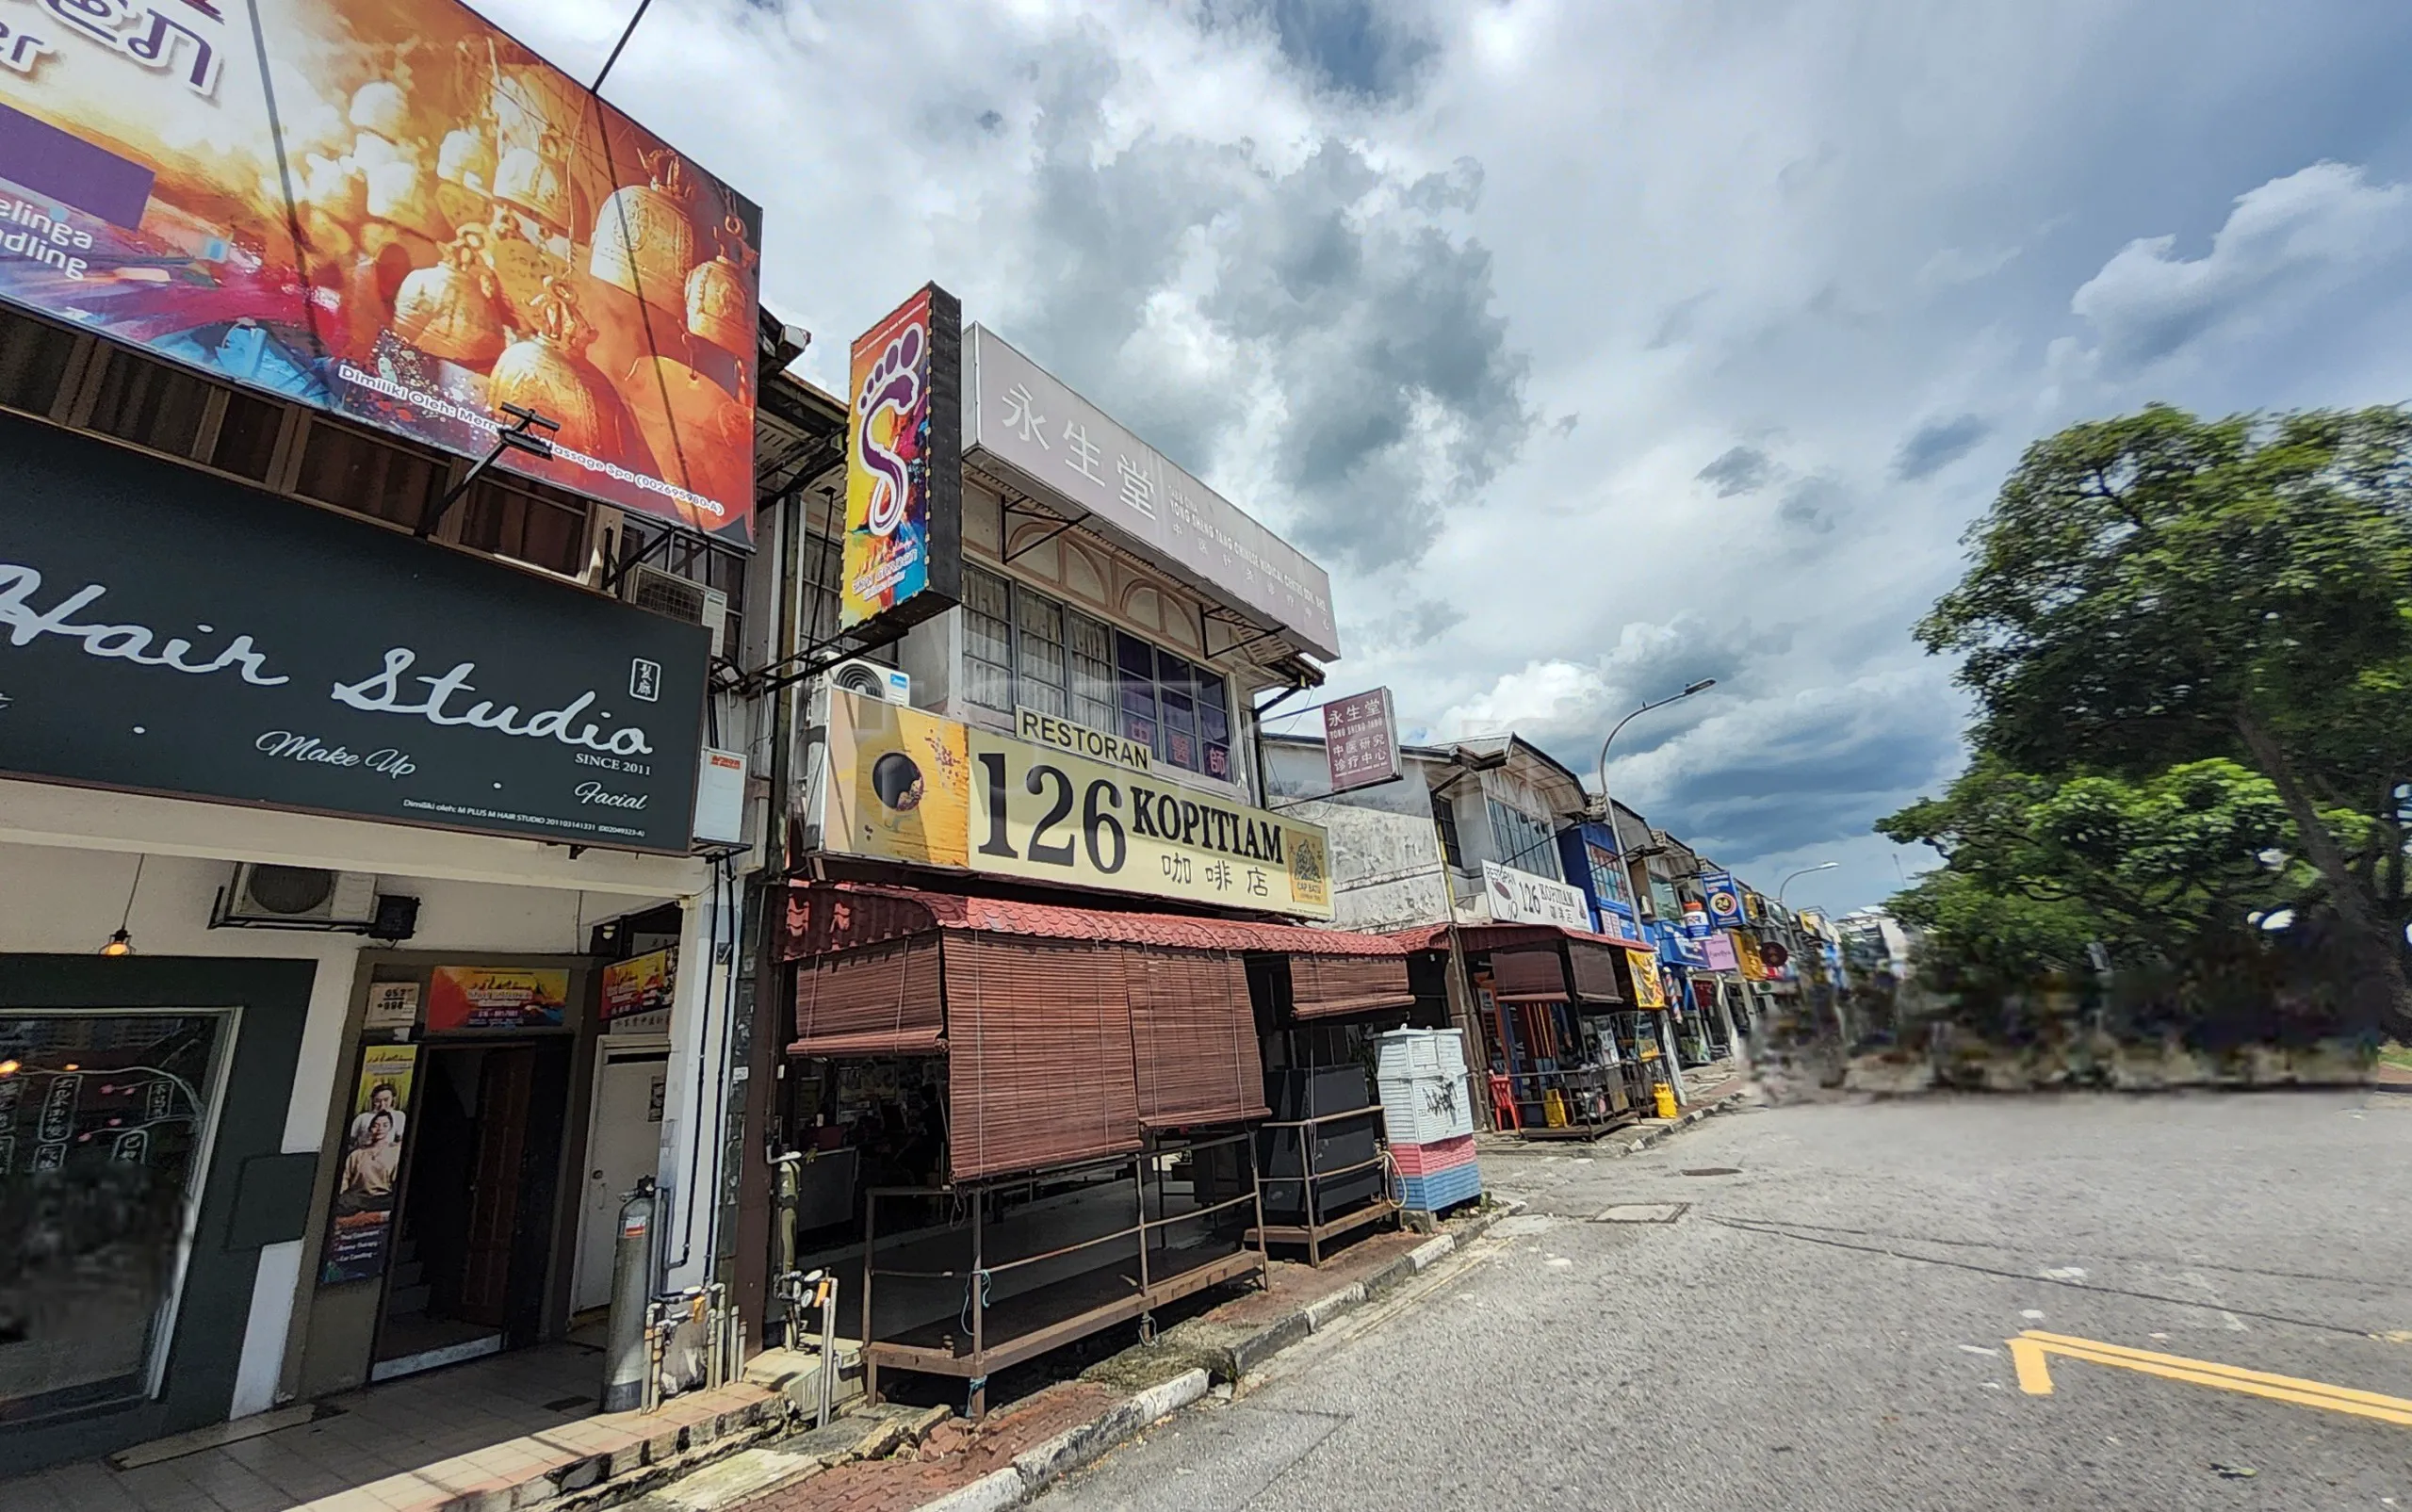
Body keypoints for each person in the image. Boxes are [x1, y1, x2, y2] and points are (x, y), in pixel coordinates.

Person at [335, 1110, 401, 1213]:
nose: (380, 1129)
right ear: (370, 1128)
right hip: (358, 1197)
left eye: (385, 1125)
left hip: (382, 1198)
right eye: (376, 1125)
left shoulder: (395, 1152)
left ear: (390, 1128)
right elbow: (345, 1179)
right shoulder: (357, 1154)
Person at [348, 1082, 405, 1149]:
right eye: (377, 1101)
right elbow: (351, 1140)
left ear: (393, 1098)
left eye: (386, 1100)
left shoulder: (399, 1116)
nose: (382, 1104)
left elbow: (401, 1139)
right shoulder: (362, 1117)